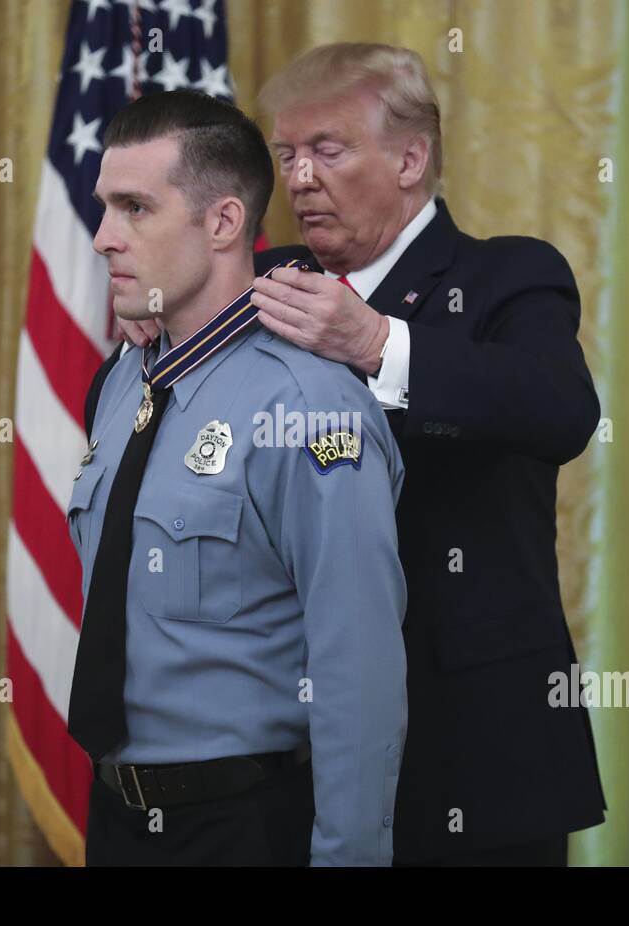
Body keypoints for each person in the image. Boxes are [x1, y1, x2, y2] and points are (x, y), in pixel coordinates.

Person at [251, 43, 606, 866]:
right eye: (287, 156)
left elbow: (562, 412)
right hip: (293, 745)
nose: (299, 178)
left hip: (470, 747)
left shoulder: (506, 276)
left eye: (326, 151)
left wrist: (378, 343)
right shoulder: (263, 284)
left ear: (411, 158)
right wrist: (147, 324)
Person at [67, 89, 407, 866]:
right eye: (103, 208)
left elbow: (359, 673)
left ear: (222, 222)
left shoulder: (311, 406)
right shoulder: (123, 382)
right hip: (116, 815)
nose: (101, 239)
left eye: (134, 209)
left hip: (242, 826)